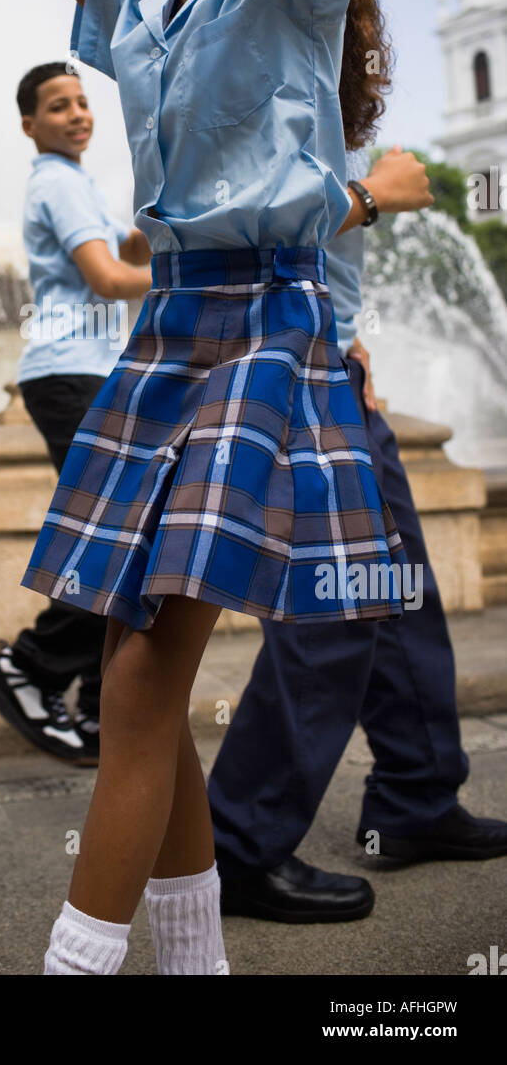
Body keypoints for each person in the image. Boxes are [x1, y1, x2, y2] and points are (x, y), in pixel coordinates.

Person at [0, 0, 409, 975]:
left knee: (133, 678)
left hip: (260, 326)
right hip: (168, 331)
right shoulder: (139, 9)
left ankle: (80, 962)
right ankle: (192, 959)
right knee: (137, 669)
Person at [211, 144, 507, 923]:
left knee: (399, 591)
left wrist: (345, 334)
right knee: (327, 615)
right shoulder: (264, 60)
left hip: (331, 365)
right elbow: (240, 224)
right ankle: (238, 848)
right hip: (288, 375)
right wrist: (371, 195)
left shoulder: (317, 91)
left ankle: (416, 797)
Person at [0, 62, 151, 764]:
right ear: (30, 125)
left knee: (118, 537)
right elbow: (108, 279)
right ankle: (28, 667)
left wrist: (155, 216)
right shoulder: (55, 181)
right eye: (58, 105)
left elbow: (124, 250)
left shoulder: (75, 182)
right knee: (114, 541)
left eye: (82, 101)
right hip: (69, 373)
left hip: (82, 374)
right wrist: (191, 279)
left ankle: (102, 711)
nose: (77, 113)